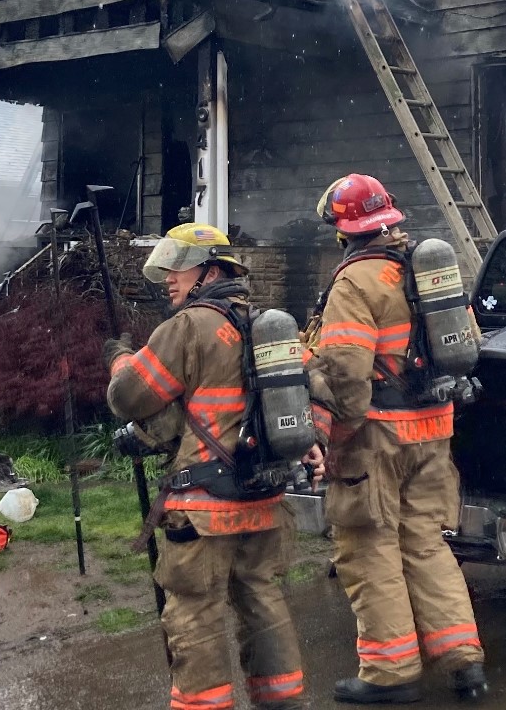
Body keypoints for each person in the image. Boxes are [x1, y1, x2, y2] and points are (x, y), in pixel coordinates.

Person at [105, 223, 309, 710]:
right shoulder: (263, 324)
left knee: (195, 610)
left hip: (203, 507)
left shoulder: (189, 326)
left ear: (209, 271)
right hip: (262, 495)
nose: (168, 279)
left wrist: (120, 362)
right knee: (261, 597)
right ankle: (282, 702)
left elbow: (129, 397)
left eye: (178, 267)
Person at [307, 174, 487, 704]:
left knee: (369, 547)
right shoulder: (428, 269)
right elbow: (468, 342)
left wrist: (330, 438)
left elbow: (344, 372)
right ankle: (465, 662)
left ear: (344, 231)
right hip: (433, 432)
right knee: (426, 545)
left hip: (376, 439)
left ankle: (391, 673)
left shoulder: (356, 282)